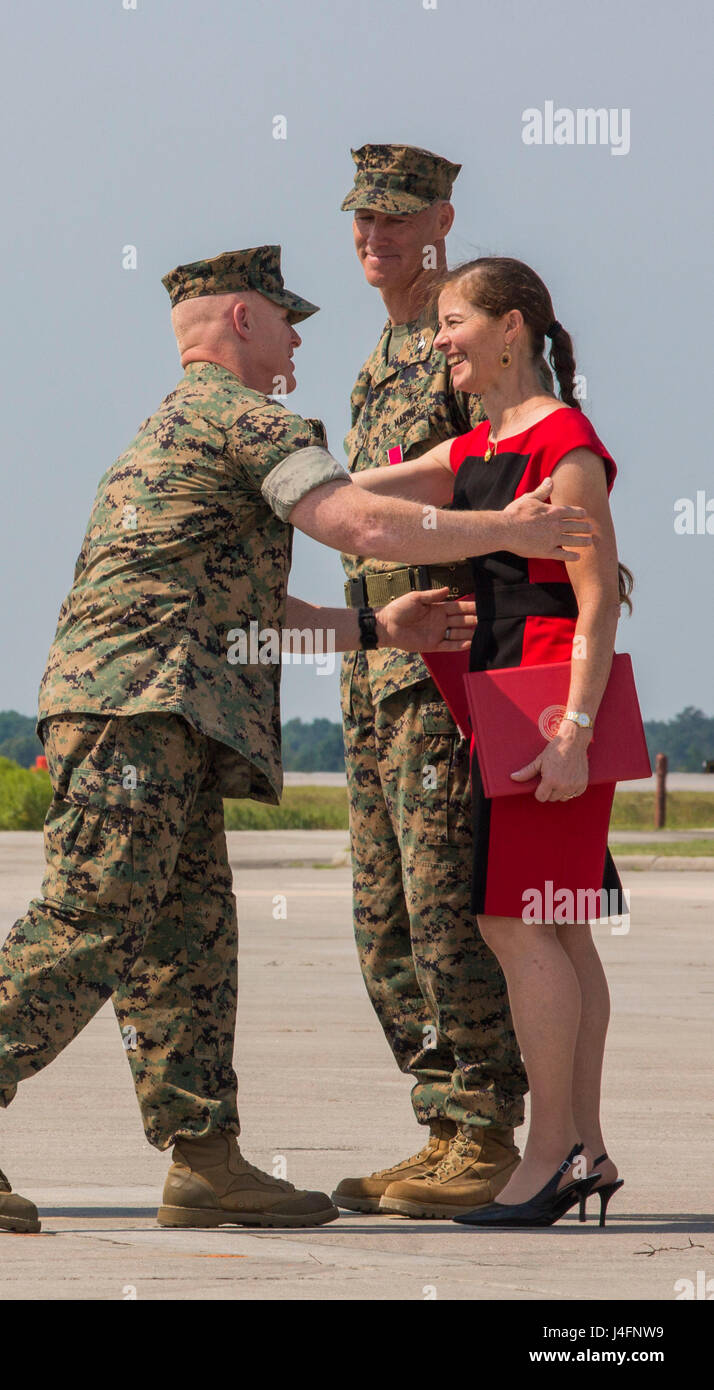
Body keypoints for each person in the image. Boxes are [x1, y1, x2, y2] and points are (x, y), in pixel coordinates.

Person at [0, 245, 591, 1235]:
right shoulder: (246, 418)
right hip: (141, 714)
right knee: (92, 914)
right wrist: (500, 529)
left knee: (190, 938)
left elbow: (243, 608)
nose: (300, 336)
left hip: (160, 712)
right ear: (241, 322)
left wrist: (377, 629)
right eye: (284, 317)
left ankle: (204, 1157)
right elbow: (358, 526)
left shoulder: (164, 431)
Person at [350, 255, 629, 1227]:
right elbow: (362, 503)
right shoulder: (475, 450)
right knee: (554, 924)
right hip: (504, 699)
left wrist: (572, 733)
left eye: (454, 320)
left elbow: (596, 603)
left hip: (545, 701)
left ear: (509, 327)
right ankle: (583, 1150)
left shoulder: (565, 446)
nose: (437, 339)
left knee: (516, 924)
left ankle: (546, 1154)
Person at [331, 144, 529, 1219]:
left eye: (396, 221)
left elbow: (510, 482)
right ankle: (440, 1121)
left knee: (444, 901)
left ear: (443, 217)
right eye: (361, 222)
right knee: (380, 917)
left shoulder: (464, 345)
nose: (375, 240)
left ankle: (487, 1124)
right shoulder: (381, 351)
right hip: (375, 670)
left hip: (448, 670)